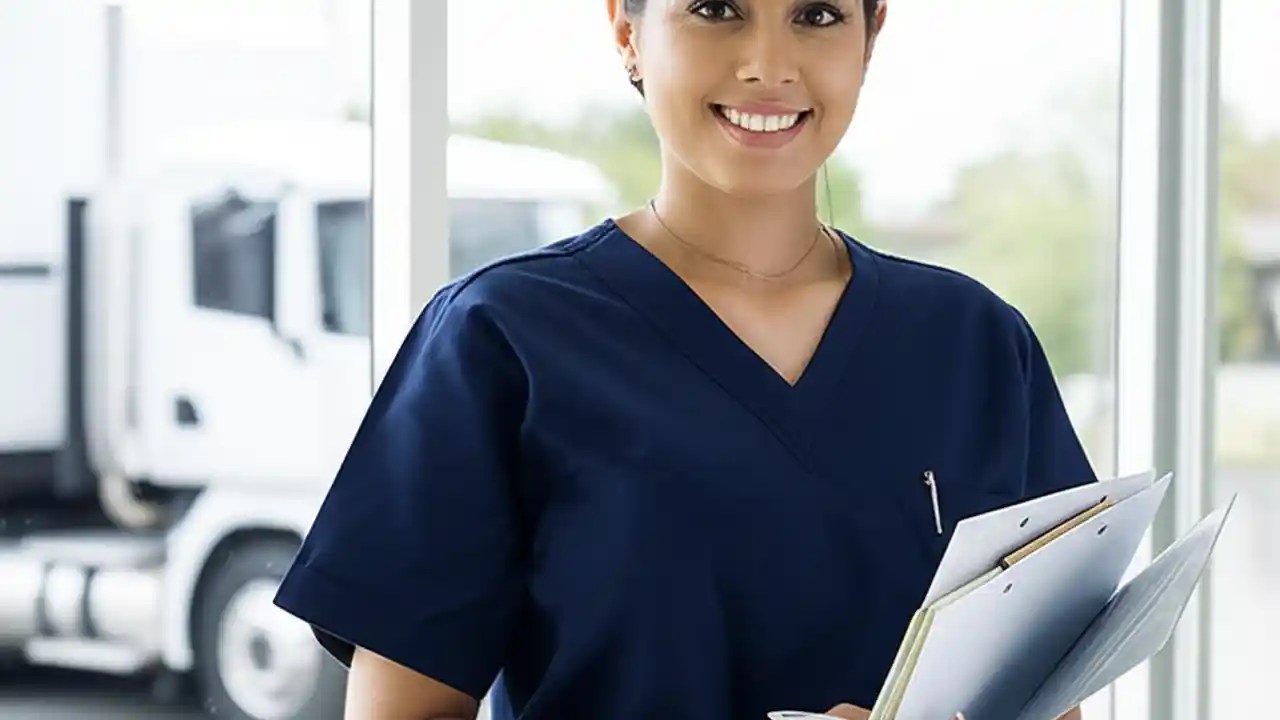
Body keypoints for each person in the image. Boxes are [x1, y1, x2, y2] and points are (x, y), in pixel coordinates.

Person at [272, 1, 1094, 718]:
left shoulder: (978, 345)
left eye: (817, 15)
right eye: (714, 7)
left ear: (870, 35)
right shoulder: (499, 341)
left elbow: (1052, 698)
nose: (769, 64)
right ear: (625, 30)